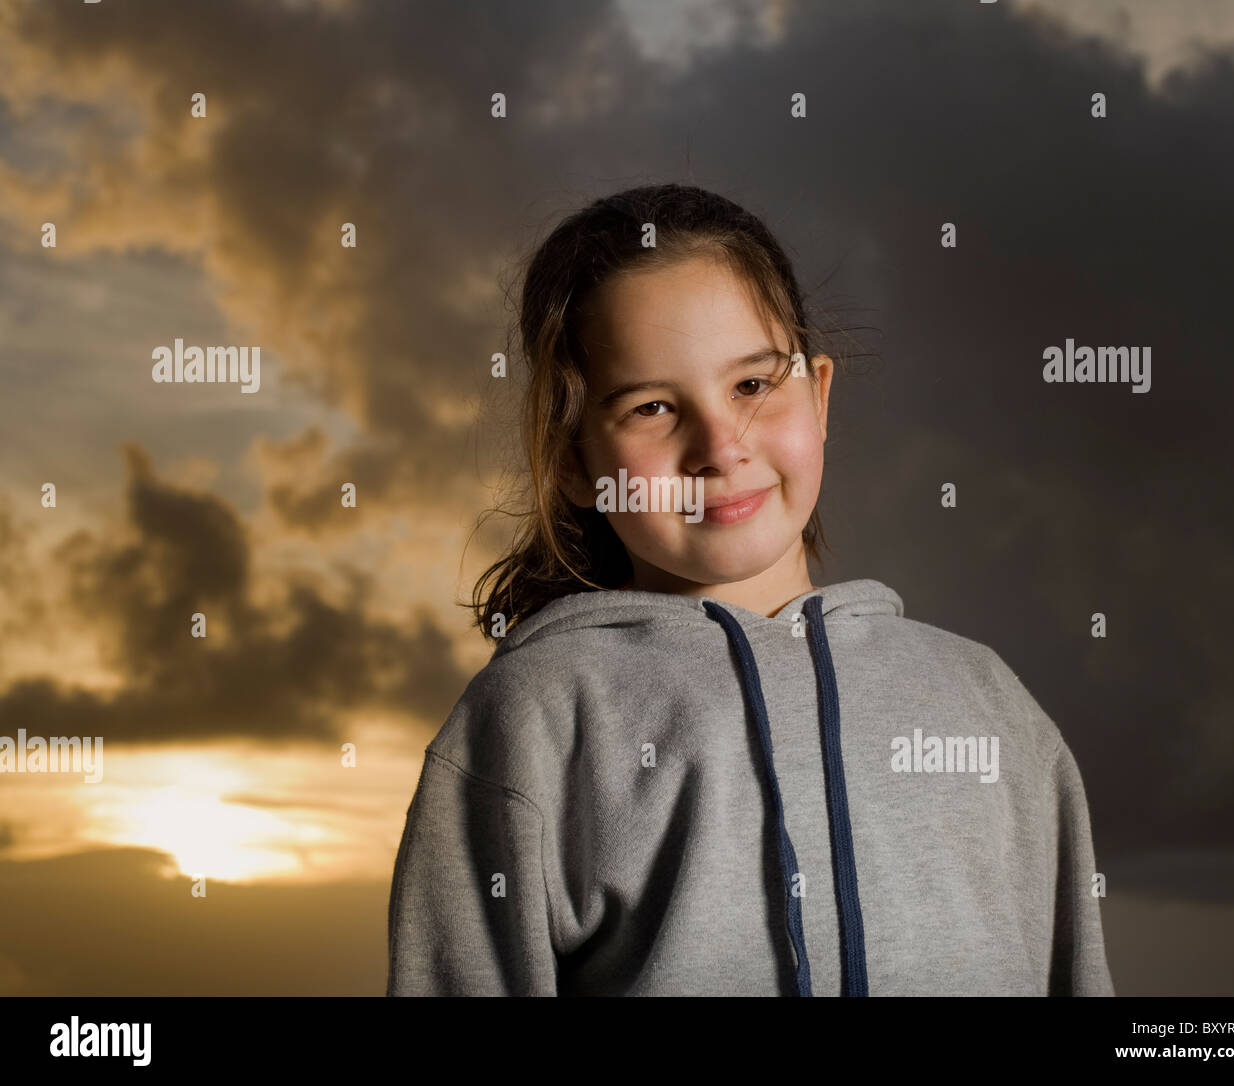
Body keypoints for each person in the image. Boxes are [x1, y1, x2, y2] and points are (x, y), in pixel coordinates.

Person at [386, 183, 1115, 996]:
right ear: (571, 464)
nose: (719, 448)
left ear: (820, 394)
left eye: (752, 386)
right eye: (654, 406)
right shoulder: (531, 719)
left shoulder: (989, 702)